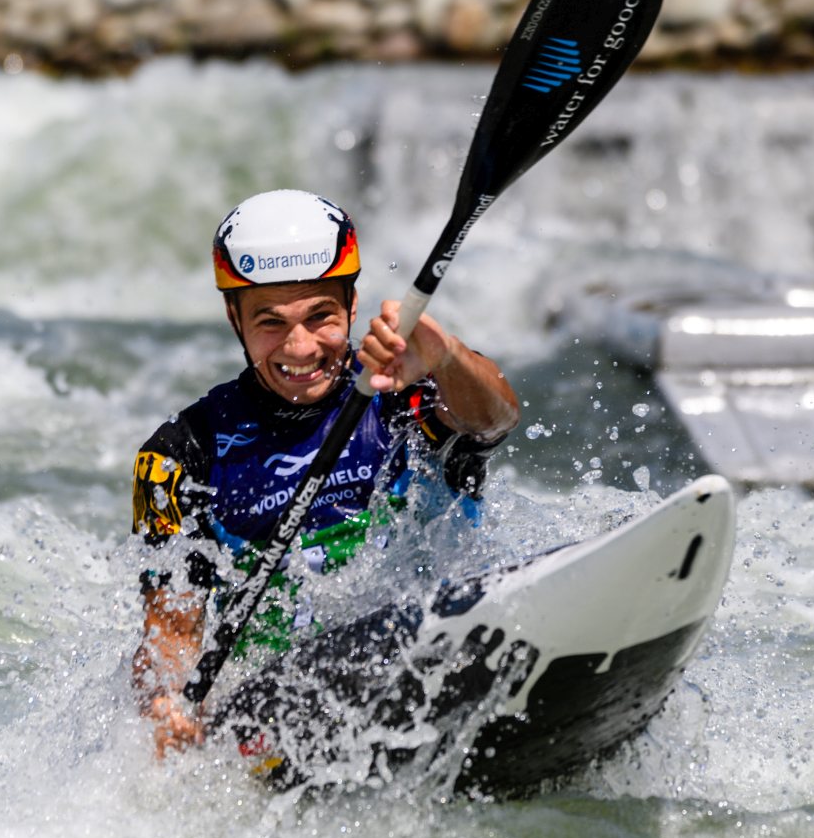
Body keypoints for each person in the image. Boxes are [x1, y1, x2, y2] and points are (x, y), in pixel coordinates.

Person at [130, 189, 521, 758]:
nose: (300, 346)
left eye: (321, 317)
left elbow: (496, 419)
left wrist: (445, 355)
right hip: (287, 707)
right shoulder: (179, 456)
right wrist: (167, 704)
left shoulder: (406, 390)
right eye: (270, 322)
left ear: (352, 304)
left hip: (443, 651)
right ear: (232, 317)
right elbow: (171, 632)